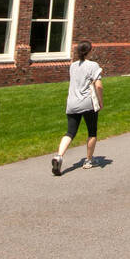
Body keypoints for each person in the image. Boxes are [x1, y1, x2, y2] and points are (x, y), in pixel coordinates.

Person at [52, 40, 103, 174]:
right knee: (92, 132)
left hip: (72, 103)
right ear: (89, 51)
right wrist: (100, 101)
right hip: (87, 103)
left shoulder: (73, 66)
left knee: (70, 132)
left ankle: (59, 156)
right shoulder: (93, 65)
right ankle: (88, 160)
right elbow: (98, 85)